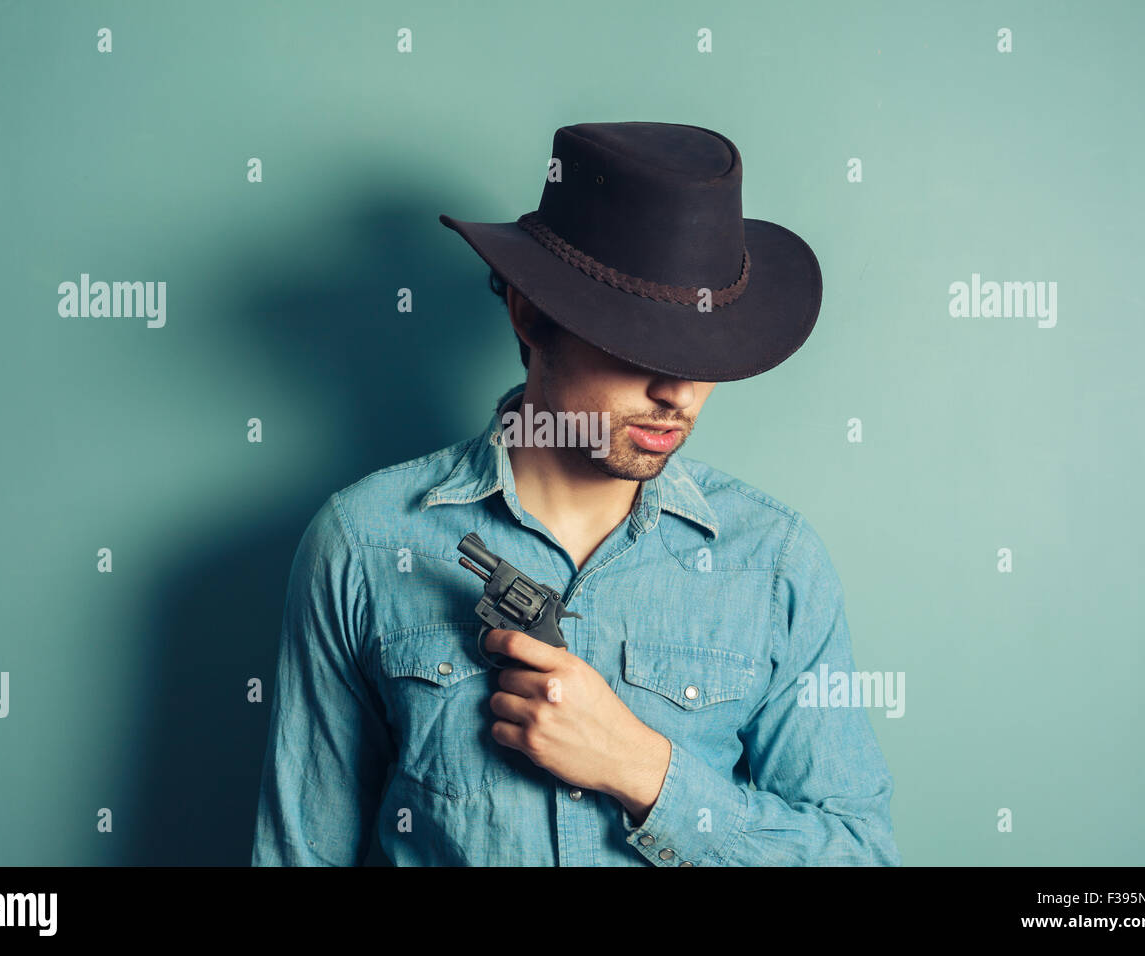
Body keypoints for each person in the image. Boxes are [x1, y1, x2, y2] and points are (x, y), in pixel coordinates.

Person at [252, 122, 900, 866]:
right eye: (643, 344)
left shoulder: (777, 564)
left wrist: (645, 773)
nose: (678, 393)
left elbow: (860, 854)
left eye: (705, 353)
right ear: (530, 314)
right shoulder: (364, 543)